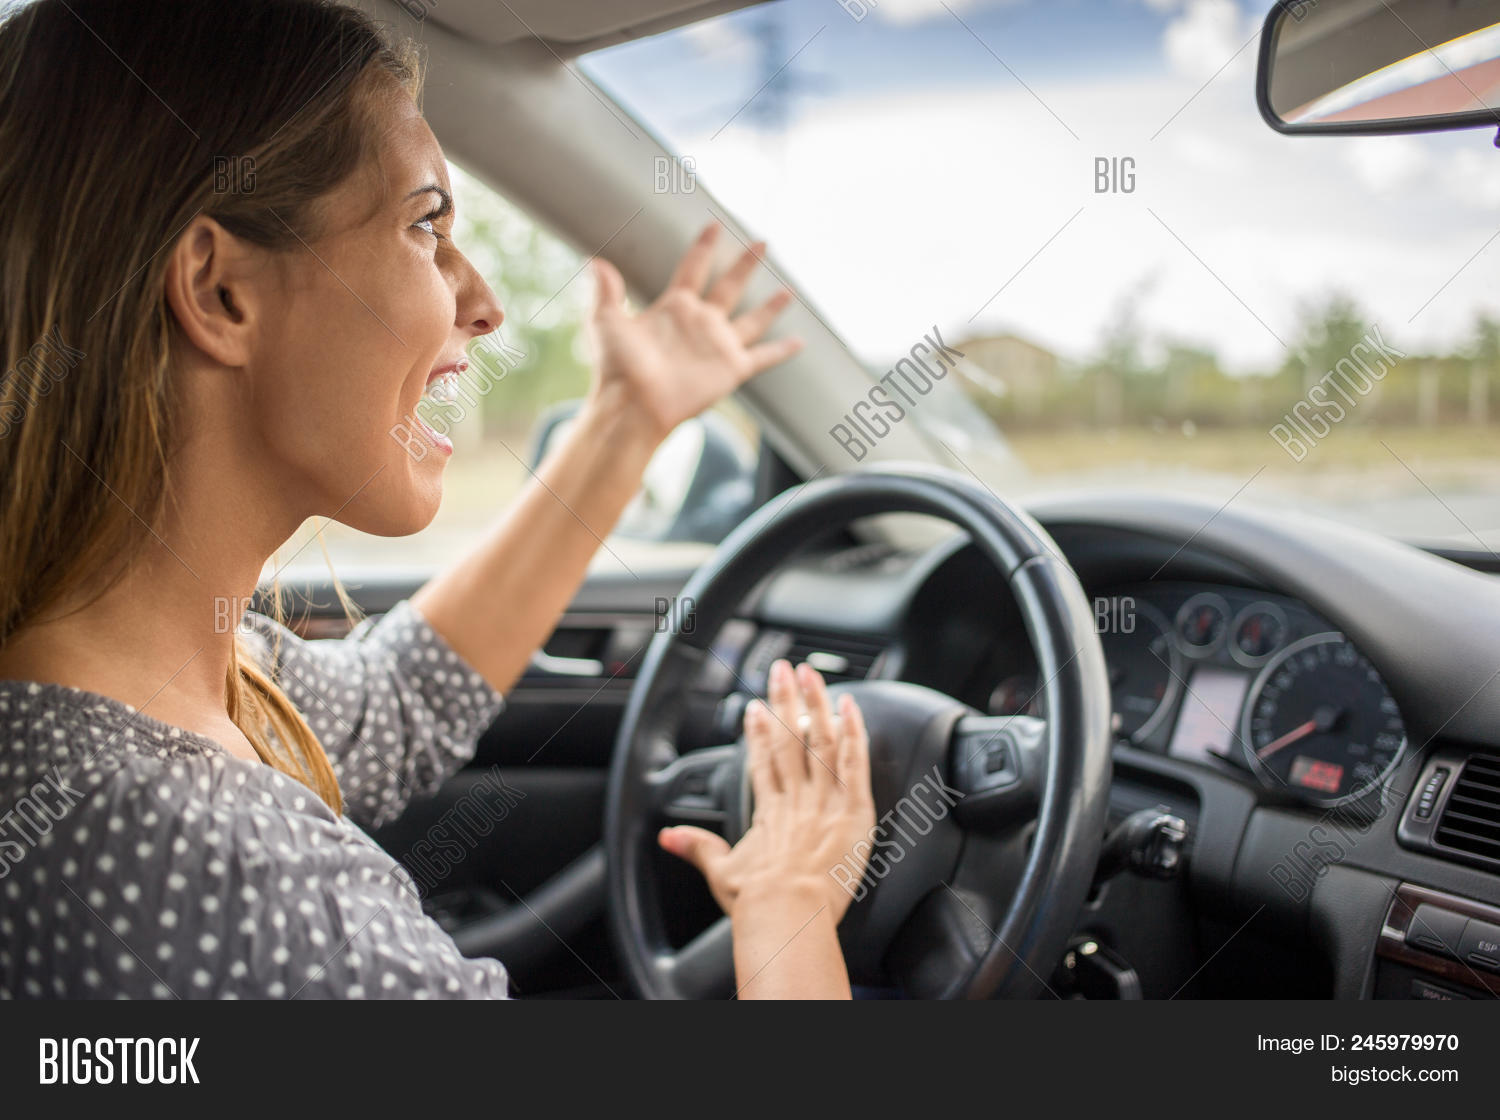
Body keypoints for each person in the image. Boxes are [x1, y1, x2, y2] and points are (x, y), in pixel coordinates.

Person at [0, 0, 875, 999]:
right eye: (426, 226)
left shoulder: (143, 681)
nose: (486, 301)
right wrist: (791, 901)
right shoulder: (242, 888)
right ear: (219, 293)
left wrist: (626, 423)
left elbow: (404, 702)